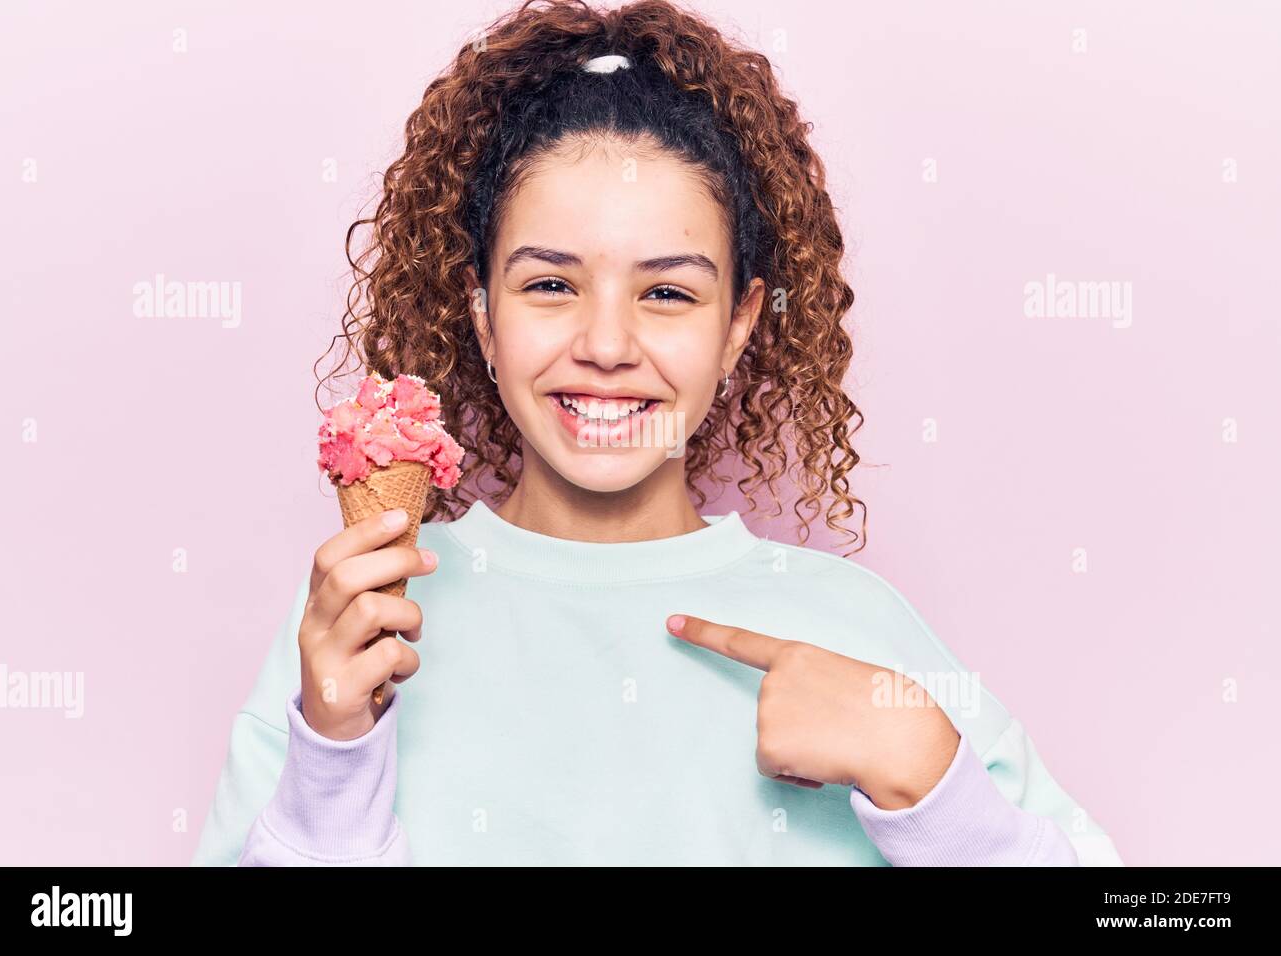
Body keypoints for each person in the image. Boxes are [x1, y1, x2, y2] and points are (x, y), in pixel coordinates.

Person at [192, 0, 1123, 866]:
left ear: (741, 327)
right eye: (550, 284)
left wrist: (931, 784)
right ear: (481, 314)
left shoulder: (859, 631)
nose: (605, 345)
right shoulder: (359, 628)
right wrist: (335, 761)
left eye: (668, 292)